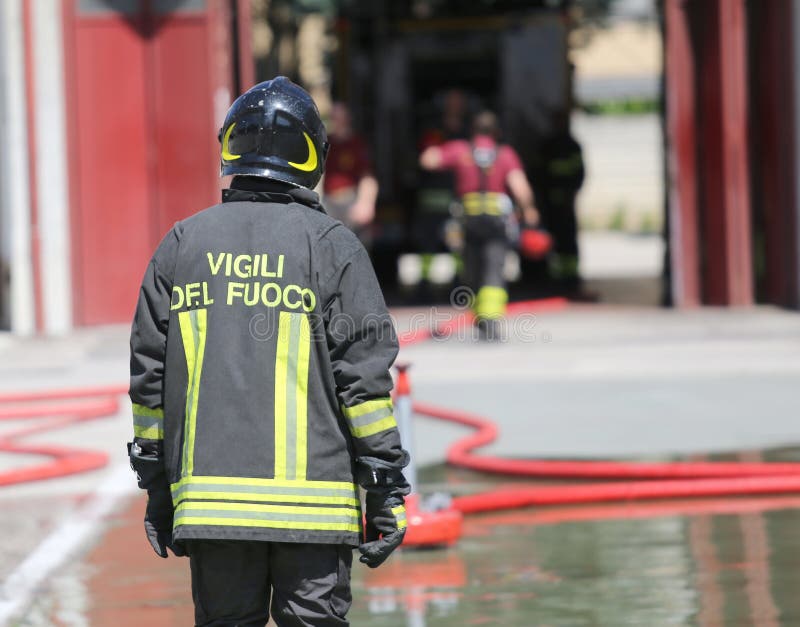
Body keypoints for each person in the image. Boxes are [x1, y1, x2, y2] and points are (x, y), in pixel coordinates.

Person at [127, 77, 410, 627]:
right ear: (312, 157)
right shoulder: (332, 247)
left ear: (232, 148)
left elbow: (149, 382)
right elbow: (365, 383)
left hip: (211, 509)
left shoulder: (182, 245)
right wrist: (385, 489)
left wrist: (157, 487)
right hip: (315, 513)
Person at [419, 110, 539, 335]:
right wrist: (530, 210)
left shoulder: (461, 150)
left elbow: (427, 160)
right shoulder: (505, 154)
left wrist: (437, 140)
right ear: (497, 132)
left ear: (472, 130)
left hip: (469, 222)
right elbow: (520, 187)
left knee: (471, 272)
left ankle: (479, 316)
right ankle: (491, 321)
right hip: (496, 223)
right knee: (494, 270)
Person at [322, 102, 378, 247]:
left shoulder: (356, 144)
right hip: (329, 203)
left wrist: (366, 203)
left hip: (350, 202)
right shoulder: (326, 143)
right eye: (333, 117)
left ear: (347, 119)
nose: (335, 121)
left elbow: (368, 178)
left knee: (355, 247)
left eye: (338, 117)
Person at [539, 110, 585, 285]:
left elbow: (580, 173)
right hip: (551, 200)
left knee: (567, 237)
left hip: (565, 200)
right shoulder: (547, 146)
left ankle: (570, 273)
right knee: (552, 236)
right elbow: (538, 172)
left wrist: (572, 193)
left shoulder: (573, 146)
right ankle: (554, 273)